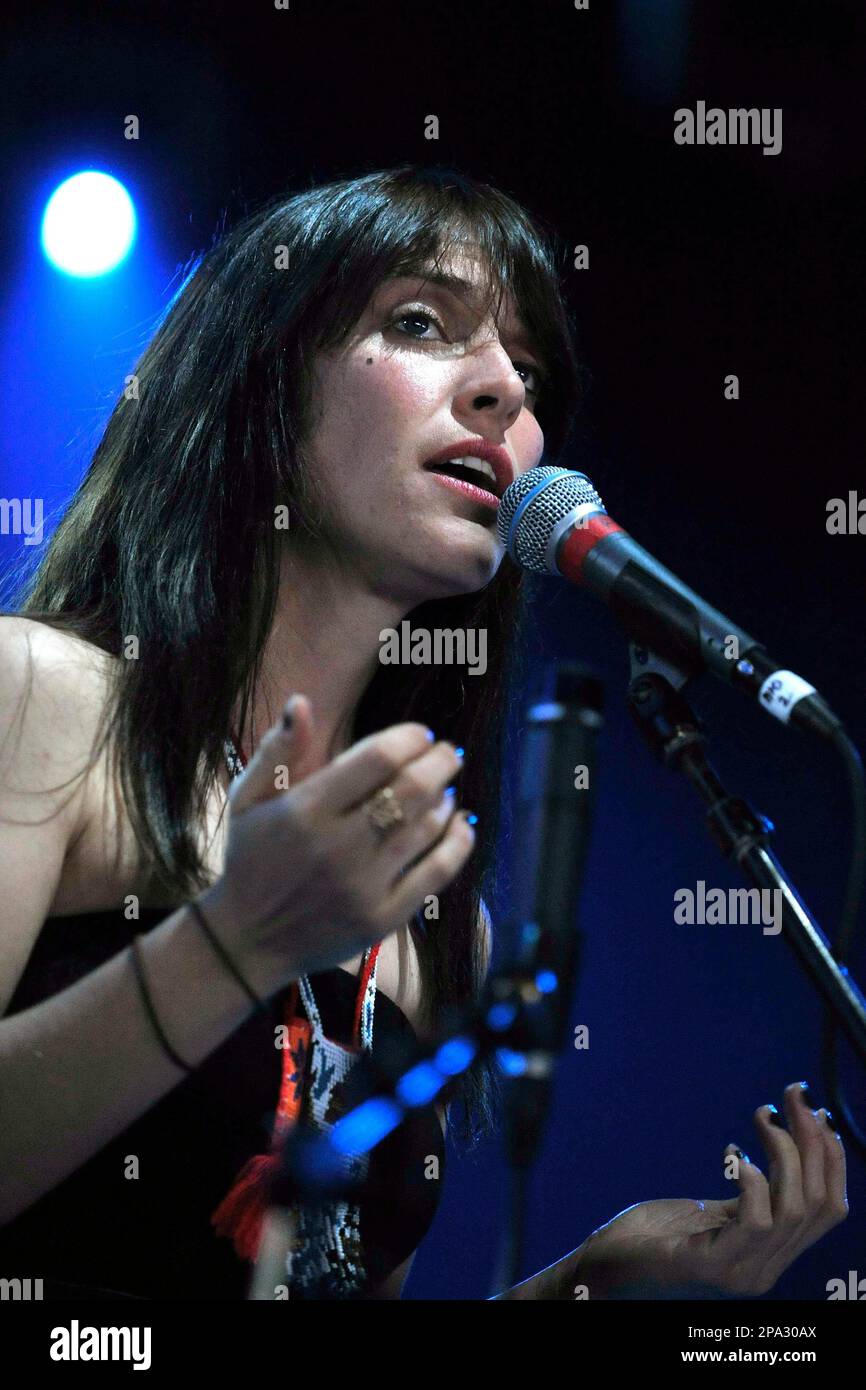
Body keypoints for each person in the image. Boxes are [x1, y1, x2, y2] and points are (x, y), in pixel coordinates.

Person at [0, 165, 847, 1300]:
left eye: (527, 367)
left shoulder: (437, 914)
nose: (504, 389)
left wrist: (589, 1288)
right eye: (418, 323)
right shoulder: (41, 701)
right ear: (257, 381)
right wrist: (229, 945)